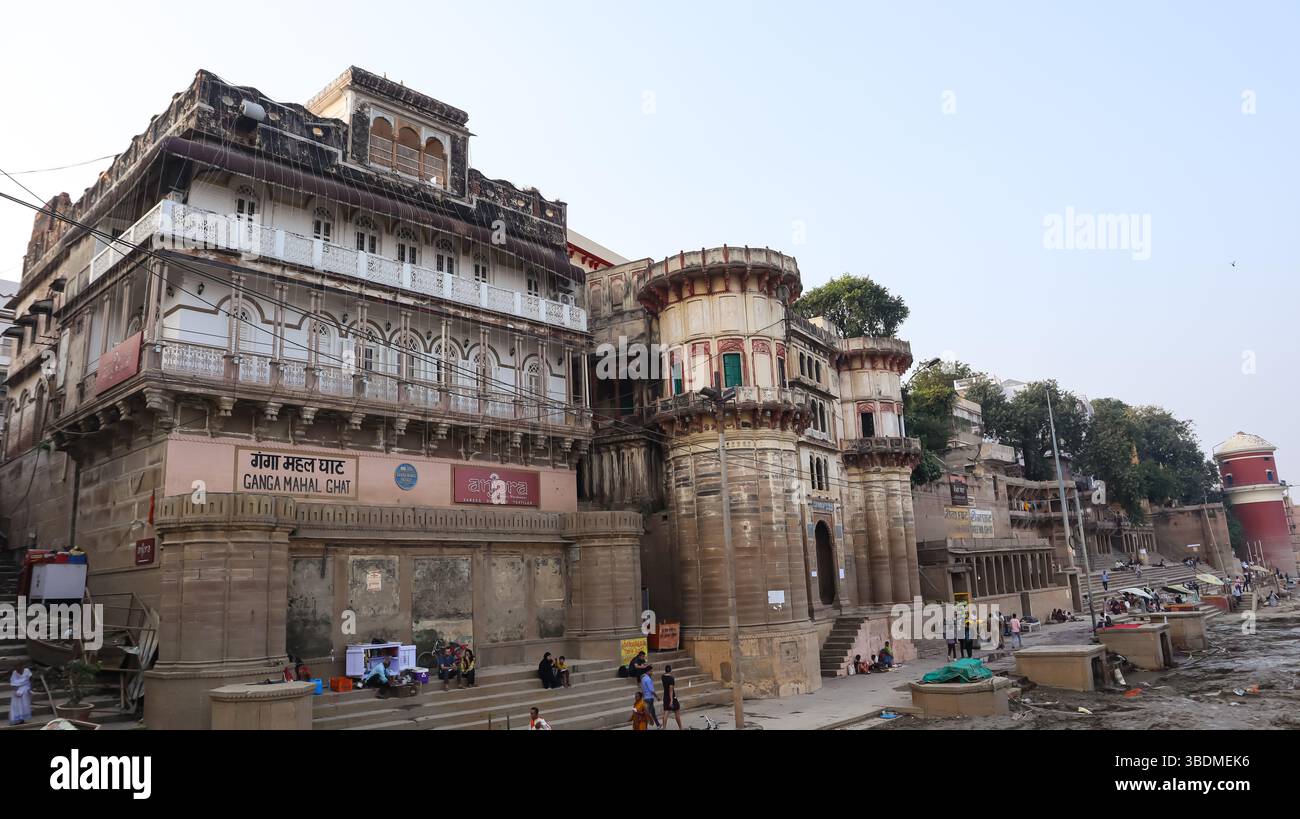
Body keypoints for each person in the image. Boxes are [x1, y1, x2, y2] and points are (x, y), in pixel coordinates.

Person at [8, 661, 32, 725]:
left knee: (24, 702)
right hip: (17, 689)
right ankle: (17, 719)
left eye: (18, 667)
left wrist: (29, 688)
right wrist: (16, 691)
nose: (16, 669)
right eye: (15, 667)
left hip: (25, 688)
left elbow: (30, 679)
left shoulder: (27, 671)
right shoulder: (14, 673)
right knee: (16, 703)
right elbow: (13, 683)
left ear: (21, 666)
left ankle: (22, 718)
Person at [662, 664, 683, 729]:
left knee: (666, 711)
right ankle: (681, 727)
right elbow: (671, 690)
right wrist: (671, 700)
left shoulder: (662, 676)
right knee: (677, 711)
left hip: (665, 696)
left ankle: (664, 728)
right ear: (670, 670)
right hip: (672, 697)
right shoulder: (671, 679)